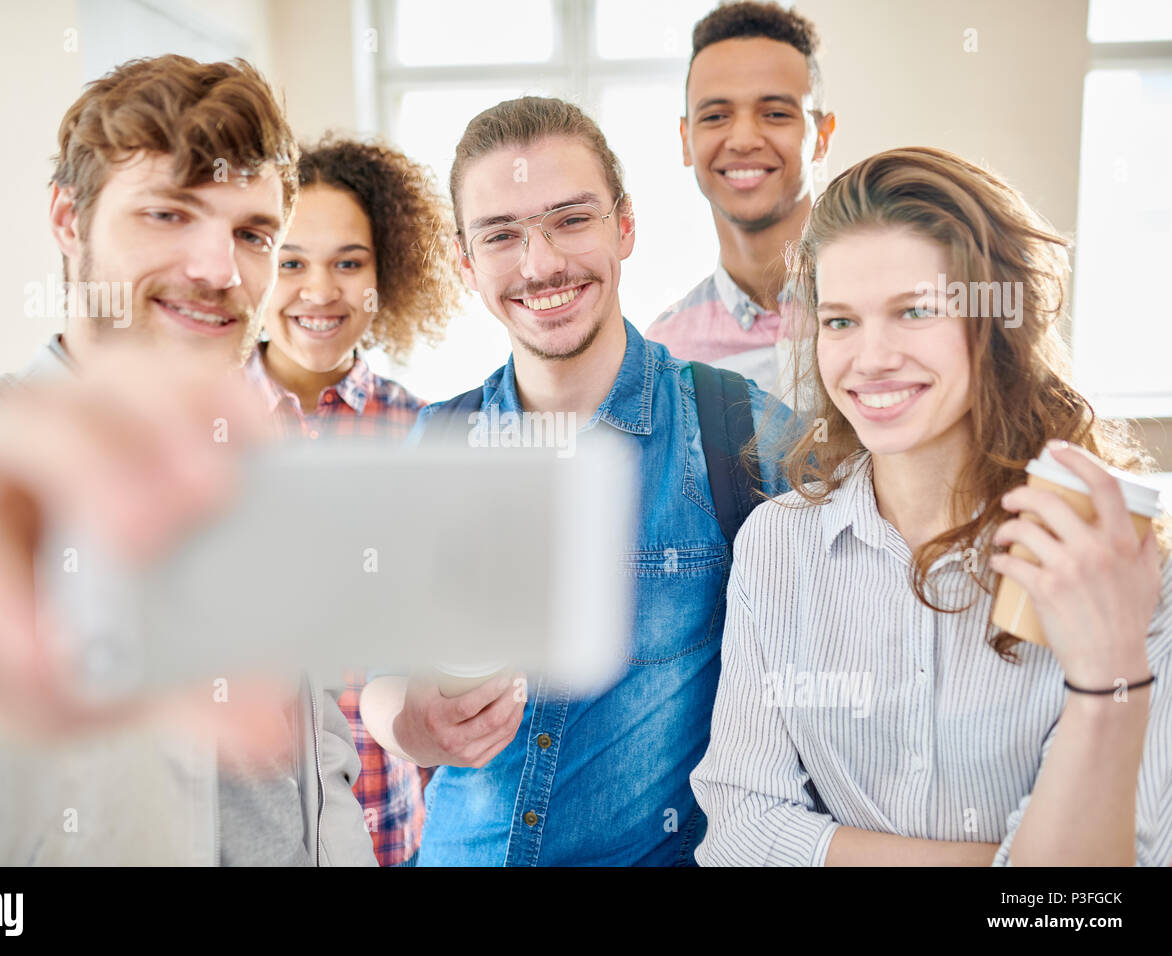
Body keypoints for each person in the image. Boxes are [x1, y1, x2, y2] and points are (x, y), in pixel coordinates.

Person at [0, 55, 376, 865]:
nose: (219, 271)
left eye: (251, 234)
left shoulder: (265, 486)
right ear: (69, 220)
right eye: (168, 214)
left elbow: (317, 777)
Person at [691, 146, 1172, 866]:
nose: (872, 357)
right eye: (842, 321)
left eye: (915, 311)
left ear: (996, 325)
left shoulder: (1118, 558)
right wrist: (1002, 862)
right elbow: (740, 833)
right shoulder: (776, 546)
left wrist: (1107, 667)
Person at [359, 96, 794, 866]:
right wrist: (414, 724)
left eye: (571, 219)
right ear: (467, 265)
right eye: (501, 236)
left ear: (624, 227)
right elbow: (385, 675)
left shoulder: (740, 432)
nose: (541, 264)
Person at [244, 136, 460, 864]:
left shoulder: (426, 436)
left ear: (385, 273)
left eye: (349, 262)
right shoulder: (193, 433)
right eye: (290, 261)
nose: (319, 290)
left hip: (392, 832)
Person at [646, 1, 835, 400]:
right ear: (686, 140)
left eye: (776, 113)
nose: (744, 139)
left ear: (821, 136)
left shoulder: (884, 308)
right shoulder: (665, 357)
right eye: (715, 116)